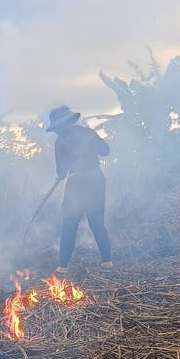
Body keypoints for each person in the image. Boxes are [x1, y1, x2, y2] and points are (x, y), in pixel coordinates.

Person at [46, 105, 112, 274]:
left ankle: (62, 267)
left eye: (57, 128)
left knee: (69, 222)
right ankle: (107, 262)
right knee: (97, 221)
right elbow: (106, 151)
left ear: (62, 125)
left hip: (77, 182)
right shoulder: (88, 133)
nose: (57, 131)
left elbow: (61, 171)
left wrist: (61, 175)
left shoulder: (60, 142)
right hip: (97, 179)